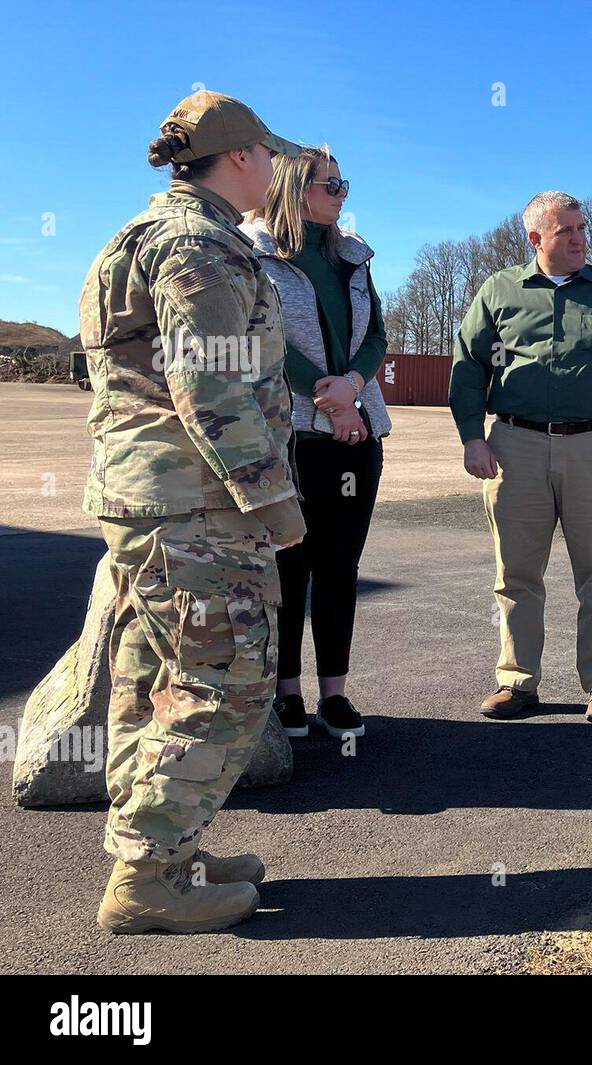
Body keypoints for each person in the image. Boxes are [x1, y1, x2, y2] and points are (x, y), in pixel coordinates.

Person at [80, 91, 304, 933]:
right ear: (242, 156)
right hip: (196, 506)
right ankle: (147, 877)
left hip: (150, 499)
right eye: (270, 156)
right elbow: (207, 381)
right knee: (230, 680)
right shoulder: (197, 245)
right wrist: (271, 497)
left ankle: (163, 852)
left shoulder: (136, 238)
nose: (278, 171)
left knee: (155, 683)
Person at [450, 191, 592, 725]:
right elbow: (469, 365)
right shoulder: (500, 290)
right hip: (513, 446)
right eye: (567, 231)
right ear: (535, 238)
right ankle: (517, 682)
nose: (580, 239)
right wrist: (473, 435)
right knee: (516, 572)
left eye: (582, 229)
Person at [241, 146, 389, 740]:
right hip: (292, 432)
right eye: (331, 184)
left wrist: (352, 389)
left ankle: (334, 694)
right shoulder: (253, 253)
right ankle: (287, 694)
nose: (342, 193)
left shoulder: (353, 256)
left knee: (339, 566)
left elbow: (377, 332)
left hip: (357, 433)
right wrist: (327, 397)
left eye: (344, 183)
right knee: (289, 564)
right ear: (296, 187)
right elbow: (260, 340)